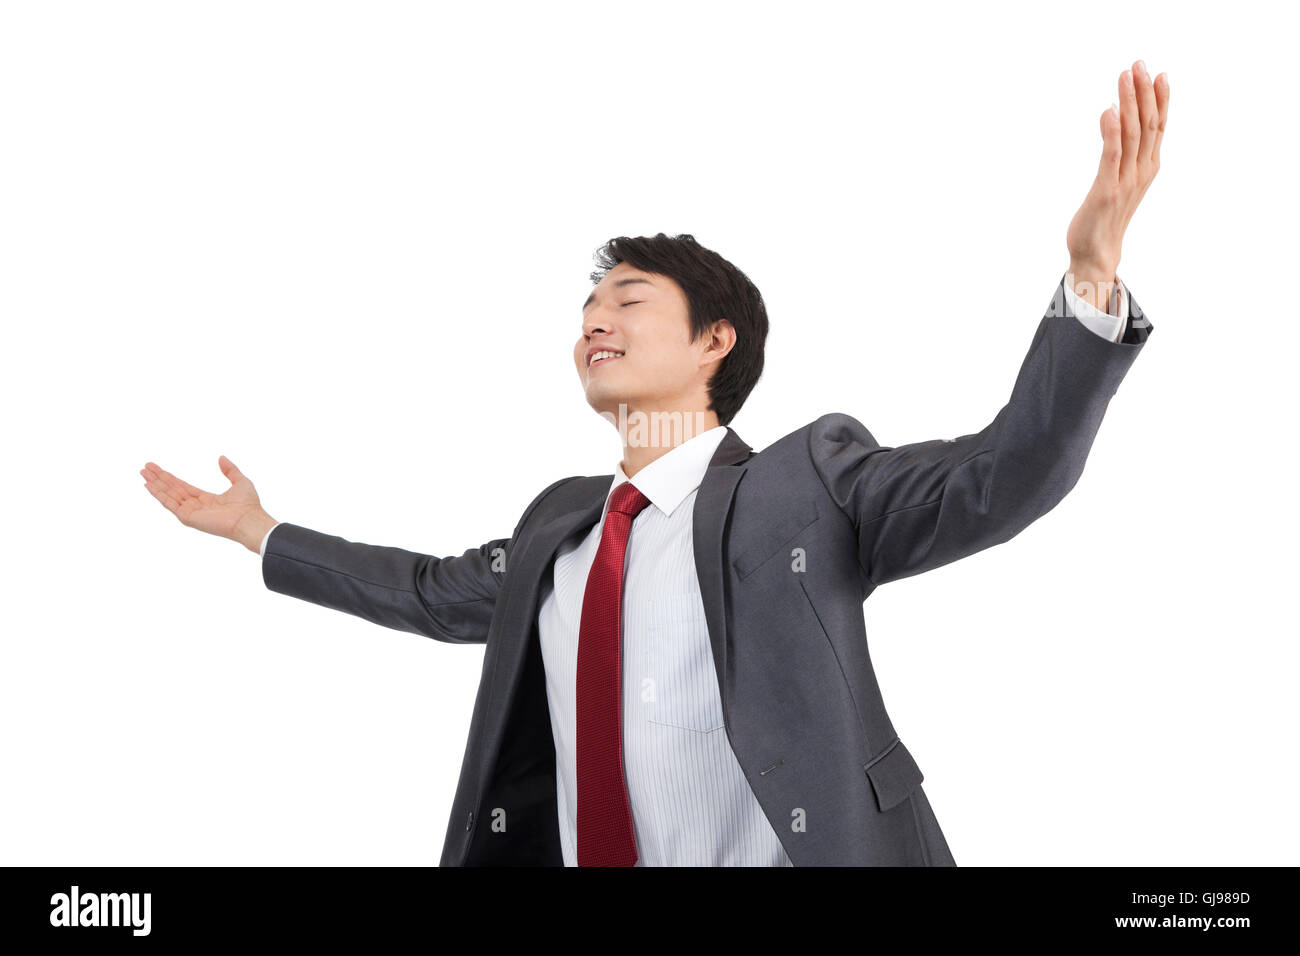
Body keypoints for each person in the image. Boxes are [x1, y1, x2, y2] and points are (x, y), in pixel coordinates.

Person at [142, 60, 1168, 866]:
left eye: (628, 301)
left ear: (715, 341)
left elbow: (1003, 474)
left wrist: (1086, 279)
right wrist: (256, 530)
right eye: (588, 310)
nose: (596, 321)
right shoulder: (565, 525)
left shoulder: (806, 483)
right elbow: (426, 590)